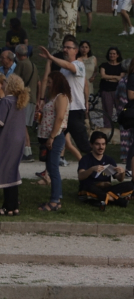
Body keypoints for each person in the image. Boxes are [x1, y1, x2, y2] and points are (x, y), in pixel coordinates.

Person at [38, 37, 92, 157]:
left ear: (76, 50)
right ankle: (51, 166)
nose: (65, 50)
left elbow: (70, 67)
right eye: (64, 47)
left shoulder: (79, 65)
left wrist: (51, 57)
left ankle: (96, 164)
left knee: (83, 144)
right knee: (53, 141)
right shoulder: (63, 68)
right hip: (63, 110)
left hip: (74, 110)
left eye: (68, 47)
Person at [36, 72, 70, 211]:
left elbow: (60, 117)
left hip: (55, 137)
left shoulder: (61, 97)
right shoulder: (52, 98)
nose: (48, 85)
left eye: (50, 82)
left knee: (53, 168)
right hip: (47, 136)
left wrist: (51, 137)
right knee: (50, 167)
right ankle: (54, 198)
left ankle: (56, 201)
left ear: (56, 83)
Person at [77, 131, 133, 209]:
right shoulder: (85, 159)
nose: (101, 147)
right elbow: (80, 176)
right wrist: (92, 169)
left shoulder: (109, 160)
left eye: (103, 144)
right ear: (91, 145)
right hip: (91, 188)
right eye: (97, 144)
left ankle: (103, 198)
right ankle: (116, 200)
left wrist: (122, 172)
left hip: (106, 189)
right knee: (89, 187)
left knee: (130, 185)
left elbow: (120, 179)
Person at [0, 74, 29, 215]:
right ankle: (12, 206)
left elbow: (1, 122)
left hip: (7, 140)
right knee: (12, 170)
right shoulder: (21, 102)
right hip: (19, 140)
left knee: (5, 170)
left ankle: (8, 206)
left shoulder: (6, 101)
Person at [14, 45, 37, 162]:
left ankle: (27, 152)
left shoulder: (21, 64)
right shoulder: (33, 65)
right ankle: (27, 151)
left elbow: (15, 81)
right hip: (32, 99)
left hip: (24, 99)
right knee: (25, 126)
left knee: (22, 126)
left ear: (17, 54)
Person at [98, 47, 124, 130]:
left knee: (121, 110)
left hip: (118, 91)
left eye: (114, 54)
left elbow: (121, 78)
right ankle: (107, 129)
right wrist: (115, 77)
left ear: (117, 55)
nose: (112, 55)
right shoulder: (104, 65)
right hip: (106, 91)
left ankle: (123, 128)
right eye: (110, 53)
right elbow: (103, 76)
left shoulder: (121, 66)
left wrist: (108, 78)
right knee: (107, 111)